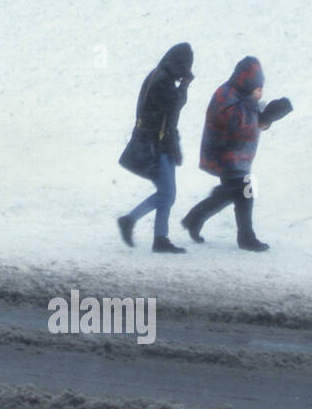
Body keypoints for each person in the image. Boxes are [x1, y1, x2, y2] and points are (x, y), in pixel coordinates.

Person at [180, 56, 292, 251]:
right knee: (243, 193)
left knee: (238, 193)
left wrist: (270, 114)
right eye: (257, 88)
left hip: (238, 157)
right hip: (225, 156)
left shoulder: (241, 96)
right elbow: (238, 125)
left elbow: (254, 120)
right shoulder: (226, 95)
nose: (260, 92)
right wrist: (263, 117)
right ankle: (244, 237)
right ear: (247, 83)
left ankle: (197, 219)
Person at [117, 43, 194, 253]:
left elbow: (168, 119)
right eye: (186, 67)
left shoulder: (159, 76)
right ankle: (130, 219)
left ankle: (160, 239)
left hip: (162, 142)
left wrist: (174, 146)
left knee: (166, 193)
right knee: (167, 194)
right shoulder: (163, 81)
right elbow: (174, 107)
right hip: (156, 144)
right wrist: (185, 86)